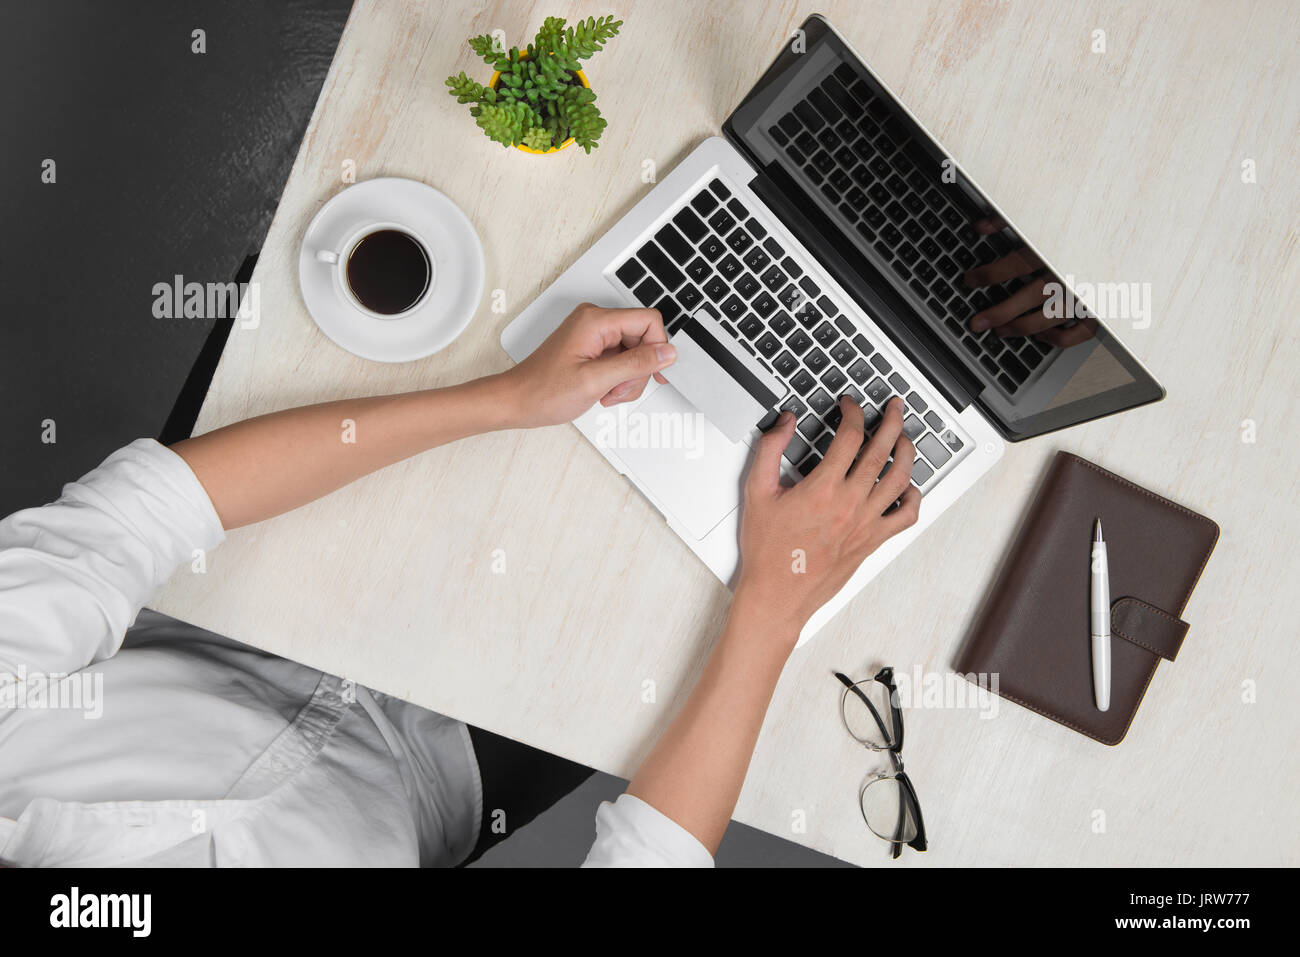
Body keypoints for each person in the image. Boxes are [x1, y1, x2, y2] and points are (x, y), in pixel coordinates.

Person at [0, 303, 918, 867]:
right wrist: (774, 603)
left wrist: (506, 398)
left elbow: (137, 515)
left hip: (253, 590)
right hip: (464, 766)